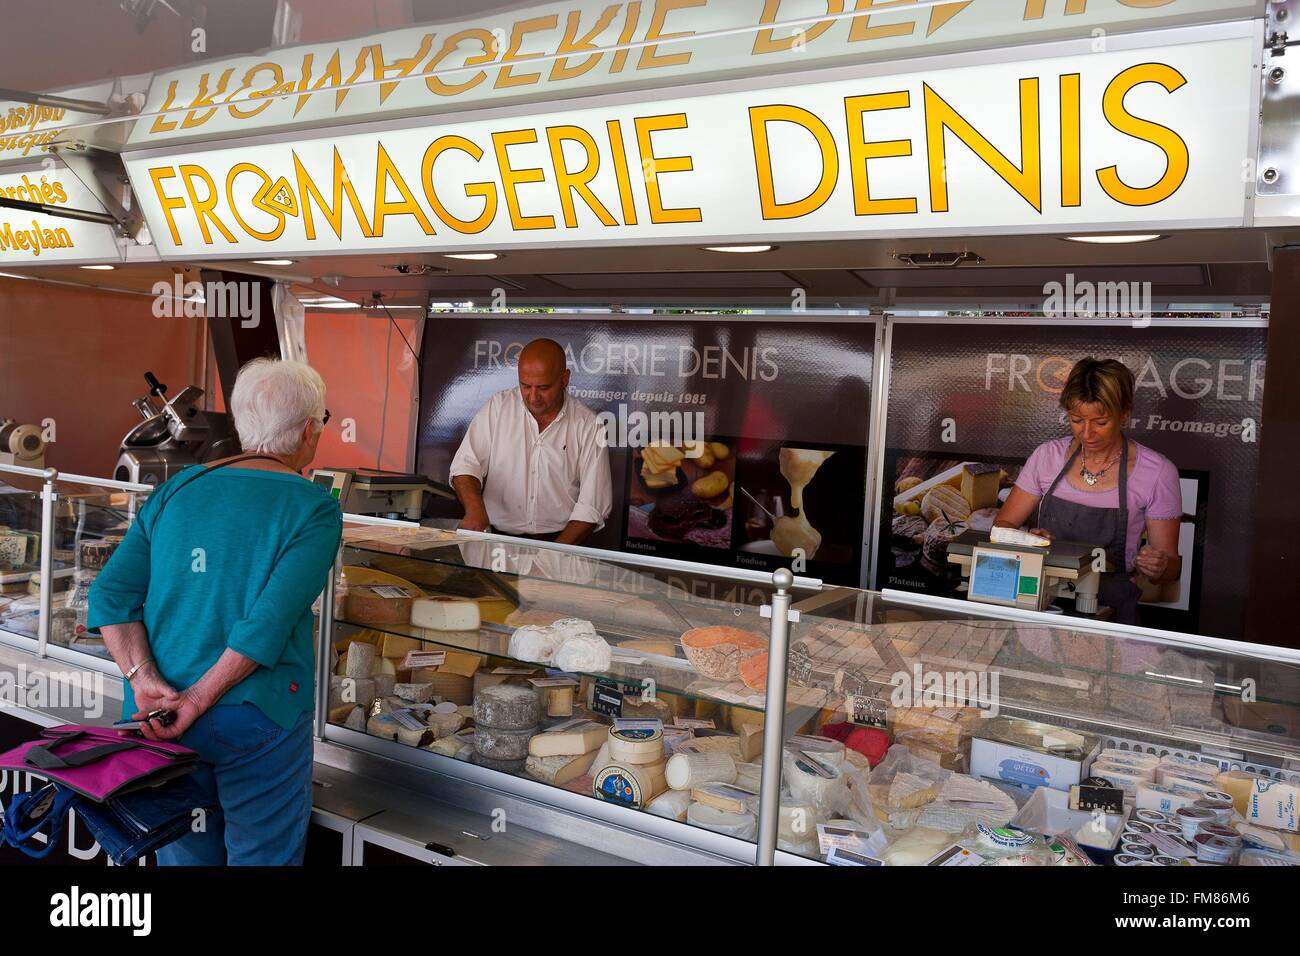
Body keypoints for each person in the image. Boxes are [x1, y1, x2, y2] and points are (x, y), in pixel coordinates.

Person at [88, 358, 342, 866]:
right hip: (257, 716)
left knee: (187, 857)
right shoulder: (315, 507)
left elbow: (110, 599)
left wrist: (144, 680)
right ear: (310, 430)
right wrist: (200, 699)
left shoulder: (176, 489)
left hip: (159, 716)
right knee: (262, 857)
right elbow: (265, 625)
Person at [994, 357, 1182, 625]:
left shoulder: (1158, 472)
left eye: (1101, 422)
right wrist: (1025, 539)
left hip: (1109, 611)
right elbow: (1002, 526)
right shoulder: (1046, 457)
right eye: (1076, 419)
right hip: (1038, 603)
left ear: (1125, 413)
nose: (1087, 433)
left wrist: (1159, 565)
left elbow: (1171, 566)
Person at [450, 338, 612, 544]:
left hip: (560, 541)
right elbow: (465, 466)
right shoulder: (498, 408)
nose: (533, 397)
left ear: (565, 378)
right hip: (496, 540)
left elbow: (592, 506)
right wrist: (474, 511)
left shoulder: (588, 425)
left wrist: (552, 557)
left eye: (543, 388)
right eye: (525, 386)